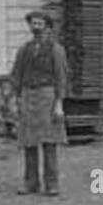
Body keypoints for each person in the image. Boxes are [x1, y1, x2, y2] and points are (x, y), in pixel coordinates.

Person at [8, 10, 68, 195]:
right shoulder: (24, 49)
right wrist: (14, 99)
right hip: (28, 96)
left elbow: (61, 77)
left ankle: (52, 183)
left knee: (49, 141)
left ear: (47, 27)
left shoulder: (56, 50)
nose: (36, 27)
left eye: (39, 24)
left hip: (47, 96)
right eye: (33, 23)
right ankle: (30, 183)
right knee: (29, 142)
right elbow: (16, 75)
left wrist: (59, 104)